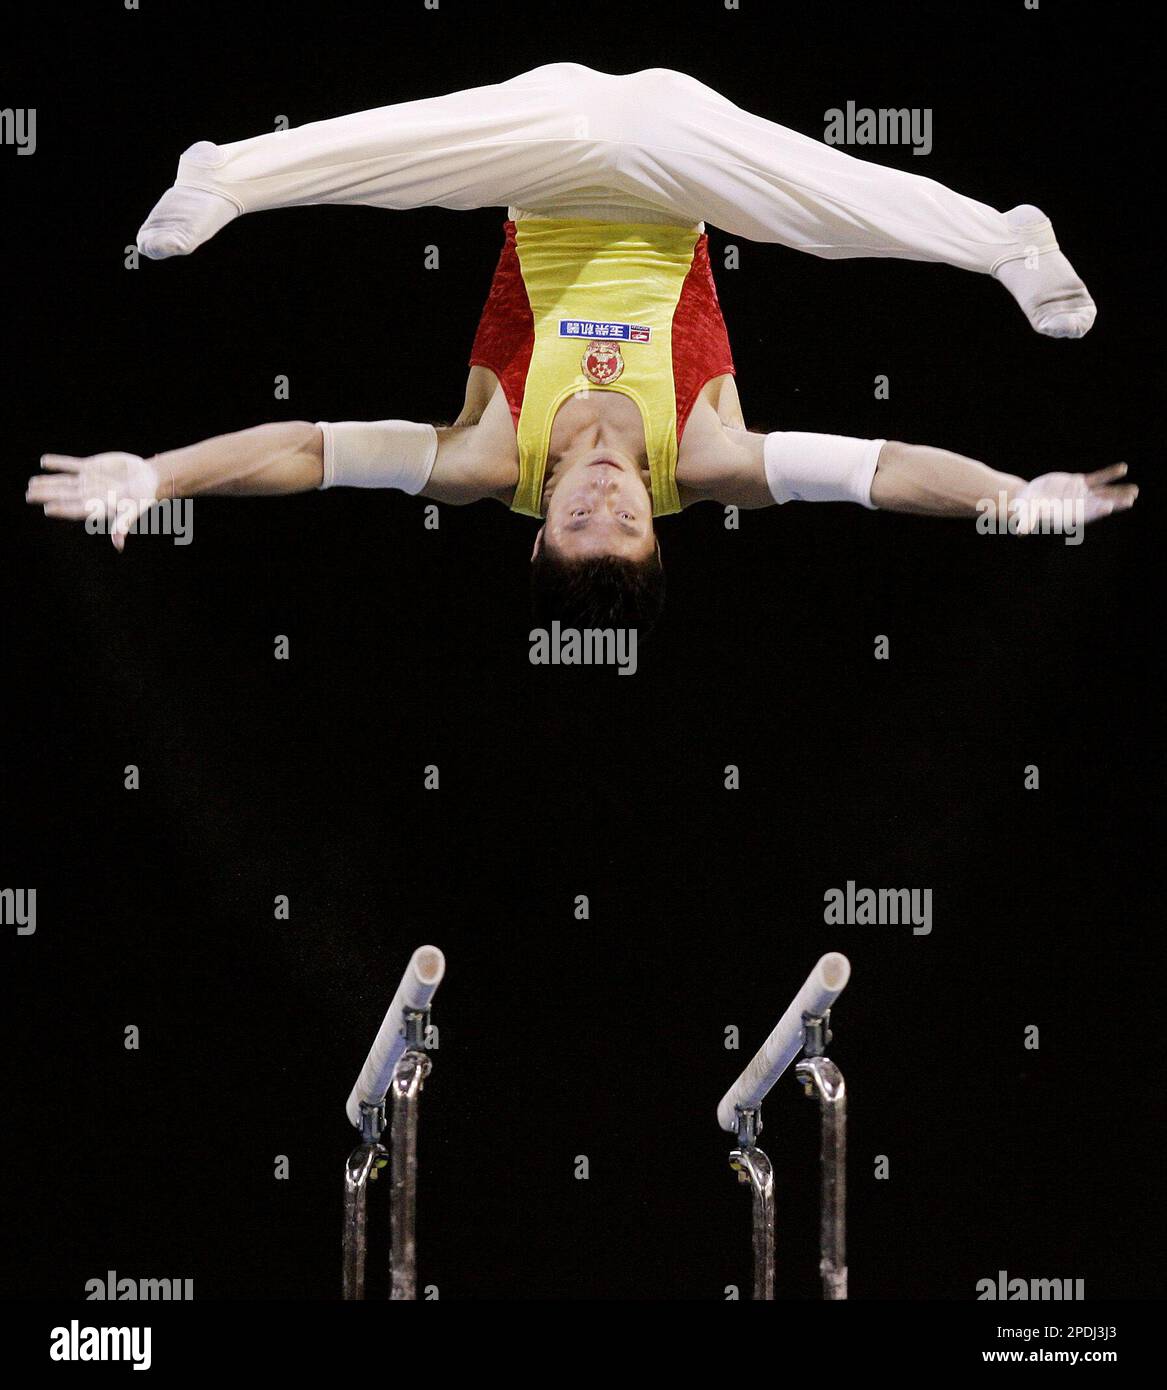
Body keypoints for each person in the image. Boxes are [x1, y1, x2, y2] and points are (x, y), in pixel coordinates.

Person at [26, 64, 1136, 632]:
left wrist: (162, 473)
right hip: (683, 171)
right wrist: (1010, 497)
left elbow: (308, 452)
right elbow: (884, 473)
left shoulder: (481, 459)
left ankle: (227, 172)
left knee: (462, 151)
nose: (606, 495)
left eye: (577, 522)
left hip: (543, 166)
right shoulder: (706, 461)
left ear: (534, 535)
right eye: (627, 524)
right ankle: (1006, 241)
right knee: (808, 208)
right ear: (661, 532)